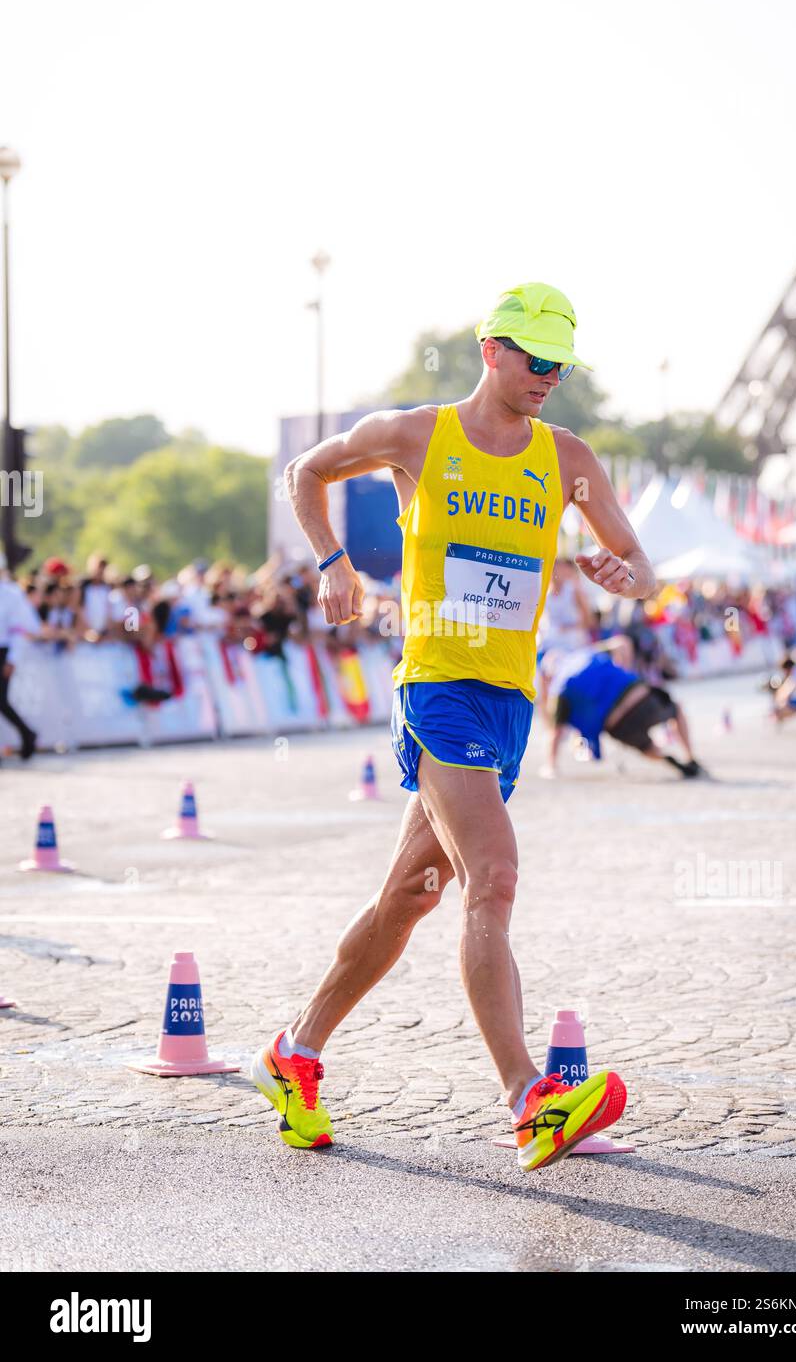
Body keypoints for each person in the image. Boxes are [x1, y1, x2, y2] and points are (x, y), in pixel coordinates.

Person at [250, 282, 654, 1171]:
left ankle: (296, 1051)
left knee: (409, 898)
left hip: (509, 702)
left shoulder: (569, 457)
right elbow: (306, 471)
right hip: (438, 689)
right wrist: (333, 563)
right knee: (495, 877)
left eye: (562, 364)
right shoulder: (417, 435)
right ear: (492, 350)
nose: (550, 376)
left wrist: (626, 575)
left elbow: (639, 560)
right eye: (537, 359)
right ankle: (530, 1100)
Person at [544, 639, 702, 777]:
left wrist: (551, 766)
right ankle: (690, 756)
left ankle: (663, 757)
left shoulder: (558, 690)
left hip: (618, 724)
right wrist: (624, 669)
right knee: (676, 709)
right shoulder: (585, 654)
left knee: (646, 747)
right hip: (639, 699)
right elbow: (622, 643)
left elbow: (555, 733)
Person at [0, 565, 40, 760]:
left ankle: (27, 734)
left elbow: (20, 630)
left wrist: (12, 658)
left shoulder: (11, 594)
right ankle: (27, 734)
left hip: (3, 652)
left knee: (1, 701)